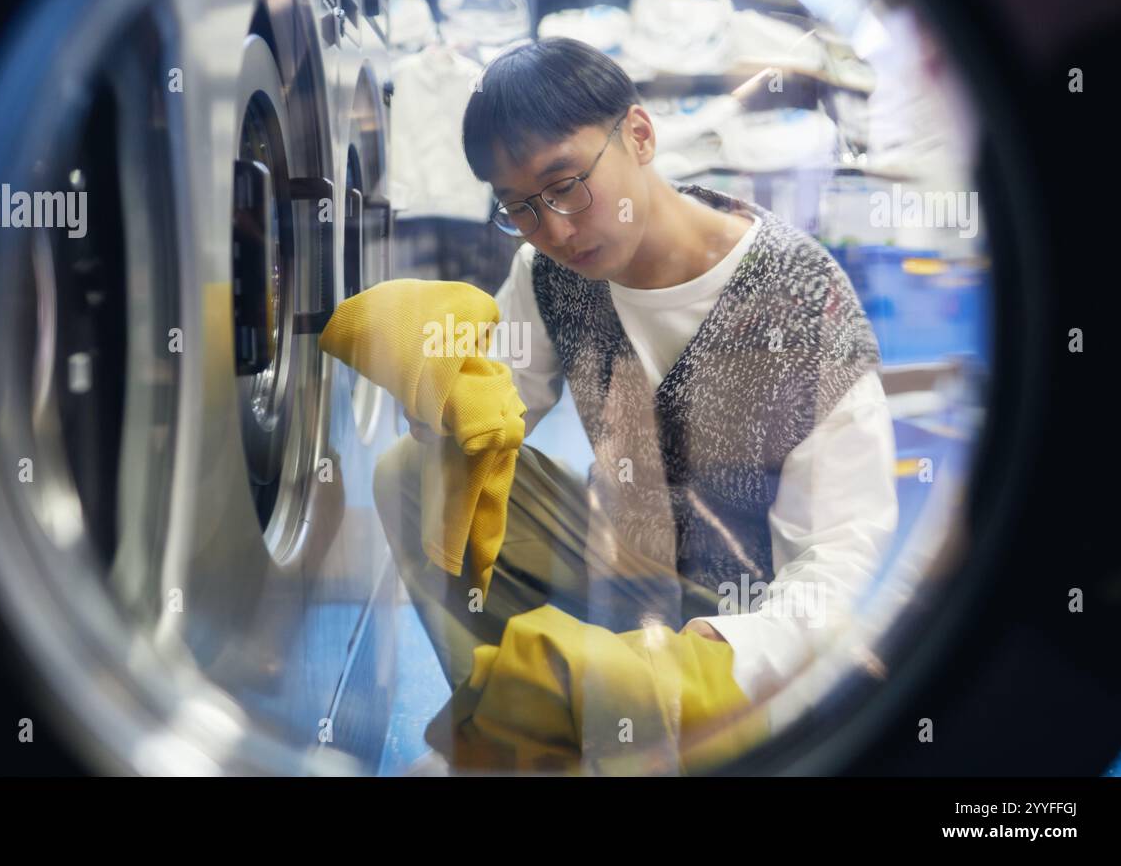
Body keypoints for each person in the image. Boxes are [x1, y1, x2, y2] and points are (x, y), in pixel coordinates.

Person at [373, 37, 898, 713]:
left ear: (640, 136)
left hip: (746, 614)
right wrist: (439, 386)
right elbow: (496, 403)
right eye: (520, 208)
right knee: (418, 474)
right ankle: (514, 719)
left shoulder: (800, 297)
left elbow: (842, 547)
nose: (554, 230)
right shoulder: (550, 274)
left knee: (815, 685)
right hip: (620, 563)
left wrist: (722, 644)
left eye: (565, 186)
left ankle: (638, 716)